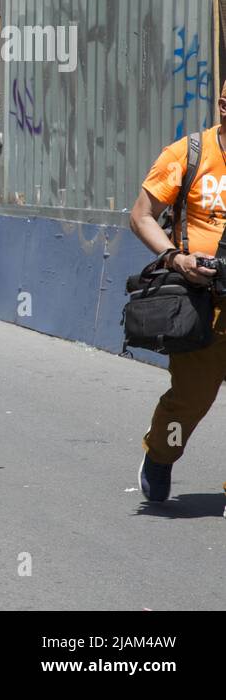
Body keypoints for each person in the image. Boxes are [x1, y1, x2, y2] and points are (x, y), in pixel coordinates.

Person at [128, 84, 226, 504]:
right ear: (223, 103)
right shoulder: (188, 154)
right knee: (191, 399)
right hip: (203, 301)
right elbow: (141, 215)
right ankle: (161, 454)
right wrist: (175, 258)